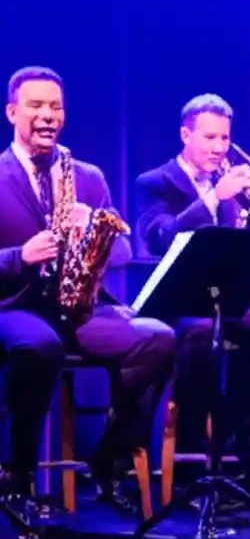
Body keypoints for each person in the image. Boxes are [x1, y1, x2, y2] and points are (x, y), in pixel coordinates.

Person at [0, 66, 175, 510]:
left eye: (55, 107)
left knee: (159, 338)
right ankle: (17, 475)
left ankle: (108, 458)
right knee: (39, 348)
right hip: (16, 305)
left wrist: (91, 233)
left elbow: (122, 249)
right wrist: (21, 256)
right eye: (36, 106)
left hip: (79, 307)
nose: (48, 116)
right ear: (11, 112)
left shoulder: (87, 176)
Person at [133, 93, 250, 467]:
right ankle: (194, 447)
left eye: (224, 139)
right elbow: (159, 237)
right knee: (203, 334)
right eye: (210, 138)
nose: (219, 148)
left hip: (237, 293)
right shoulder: (155, 182)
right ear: (185, 135)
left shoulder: (232, 179)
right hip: (185, 297)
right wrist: (211, 200)